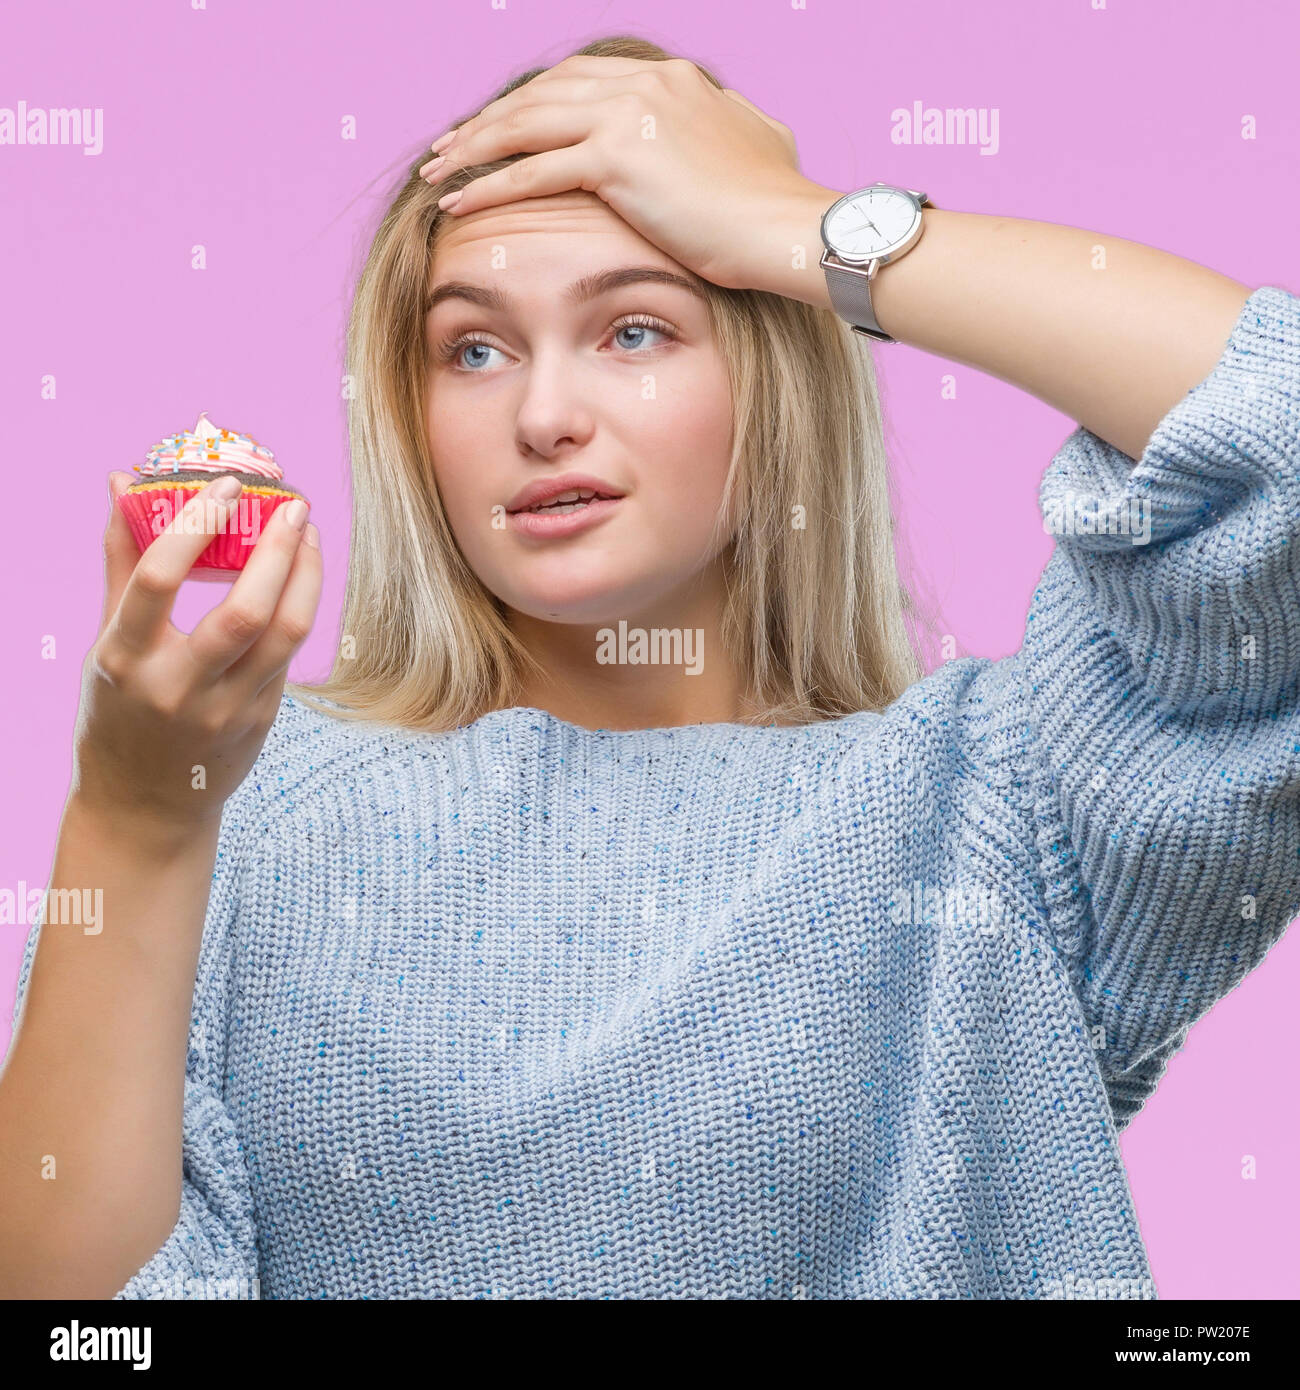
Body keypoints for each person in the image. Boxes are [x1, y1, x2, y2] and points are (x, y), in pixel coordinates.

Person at [2, 34, 1297, 1300]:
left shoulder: (1001, 814)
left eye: (632, 331)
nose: (544, 413)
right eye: (473, 347)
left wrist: (807, 228)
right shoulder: (239, 805)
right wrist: (132, 827)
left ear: (771, 368)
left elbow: (1276, 441)